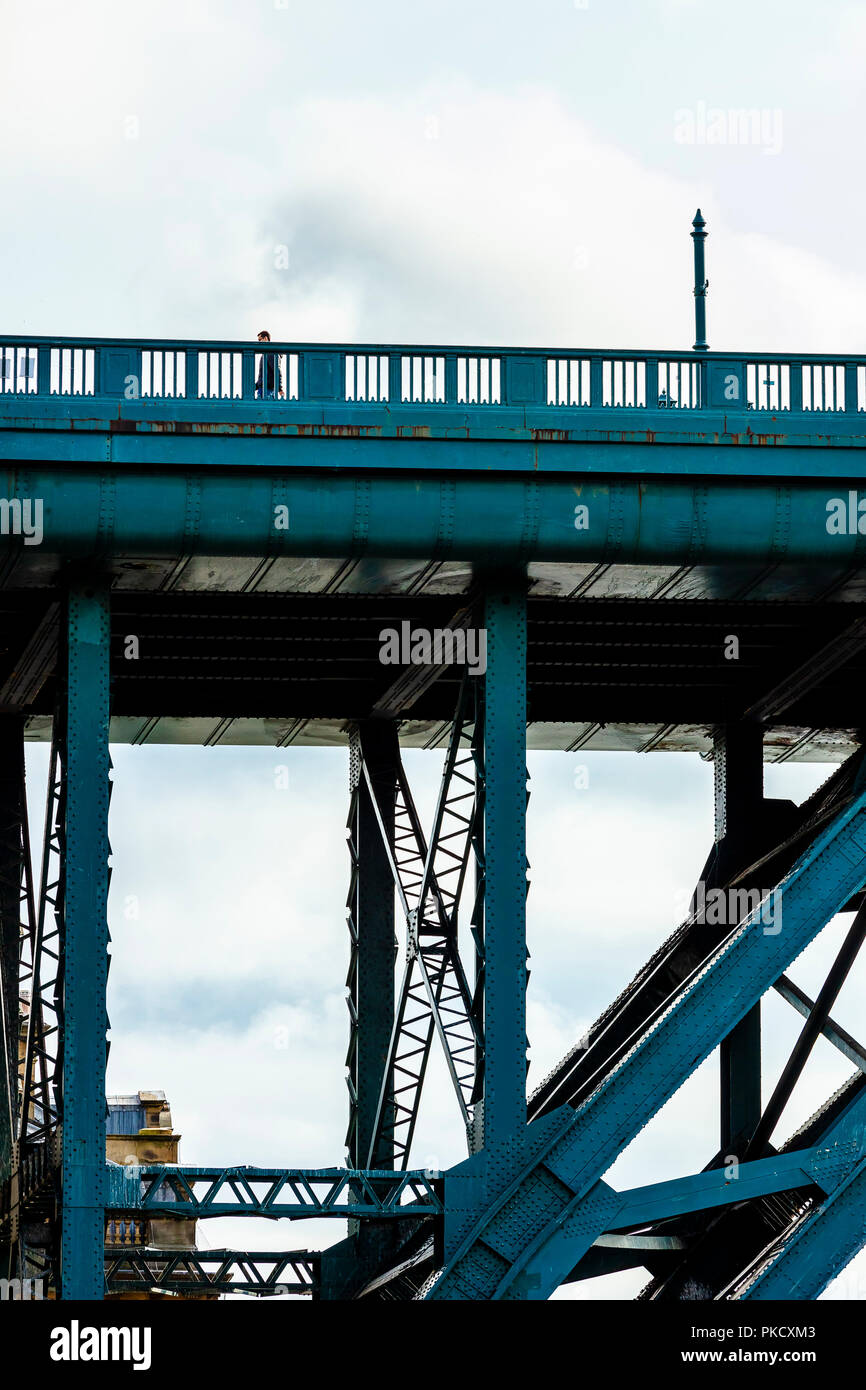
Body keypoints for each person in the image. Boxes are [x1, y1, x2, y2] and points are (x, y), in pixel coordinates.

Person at [255, 330, 284, 399]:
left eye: (260, 340)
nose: (258, 343)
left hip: (268, 390)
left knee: (263, 409)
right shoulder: (266, 354)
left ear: (265, 338)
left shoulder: (270, 353)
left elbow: (277, 370)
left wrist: (279, 388)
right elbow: (263, 376)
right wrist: (256, 386)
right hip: (264, 389)